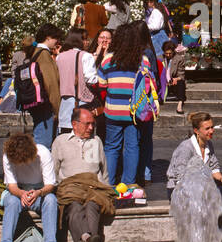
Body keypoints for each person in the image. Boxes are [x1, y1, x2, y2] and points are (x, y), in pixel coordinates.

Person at [90, 21, 157, 202]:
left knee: (111, 147)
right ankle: (129, 183)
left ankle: (110, 183)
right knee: (132, 146)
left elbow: (101, 85)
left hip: (112, 110)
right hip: (133, 112)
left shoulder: (108, 59)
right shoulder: (142, 60)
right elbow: (147, 86)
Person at [52, 105, 117, 242]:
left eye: (93, 124)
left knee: (93, 205)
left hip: (94, 188)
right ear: (75, 124)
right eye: (87, 124)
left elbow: (104, 171)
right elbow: (54, 171)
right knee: (74, 206)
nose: (91, 127)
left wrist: (107, 191)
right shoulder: (61, 141)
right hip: (70, 188)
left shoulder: (96, 141)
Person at [166, 111, 222, 229]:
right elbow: (181, 178)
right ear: (196, 131)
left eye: (212, 127)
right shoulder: (186, 148)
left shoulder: (209, 145)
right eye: (207, 128)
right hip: (180, 188)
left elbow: (214, 167)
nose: (211, 131)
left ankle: (220, 232)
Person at [1, 132, 58, 242]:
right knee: (11, 202)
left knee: (51, 200)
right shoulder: (8, 156)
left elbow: (50, 185)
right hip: (19, 192)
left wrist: (38, 192)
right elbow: (12, 185)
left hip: (40, 191)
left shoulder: (43, 153)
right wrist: (21, 194)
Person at [23, 23, 62, 150]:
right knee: (44, 145)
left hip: (36, 103)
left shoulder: (35, 52)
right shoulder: (44, 55)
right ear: (48, 37)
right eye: (56, 38)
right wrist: (57, 108)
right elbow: (51, 84)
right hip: (45, 105)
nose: (57, 42)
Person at [56, 28, 98, 133]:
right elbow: (91, 79)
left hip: (64, 102)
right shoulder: (86, 56)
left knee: (66, 133)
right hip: (81, 101)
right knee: (83, 133)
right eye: (84, 39)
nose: (87, 42)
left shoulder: (60, 57)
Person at [164, 40, 187, 114]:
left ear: (173, 52)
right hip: (163, 83)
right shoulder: (160, 58)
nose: (168, 55)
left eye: (170, 53)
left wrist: (176, 79)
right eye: (166, 53)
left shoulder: (179, 59)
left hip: (173, 82)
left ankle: (180, 104)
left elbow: (181, 75)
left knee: (181, 82)